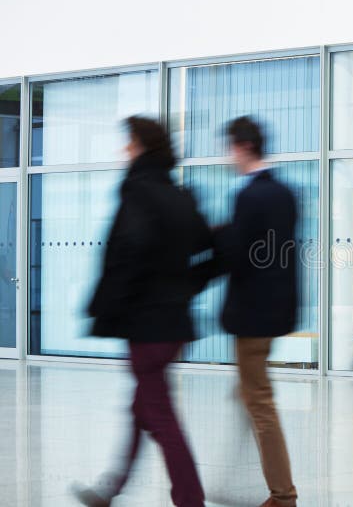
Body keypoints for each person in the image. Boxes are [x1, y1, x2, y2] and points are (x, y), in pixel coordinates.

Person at [73, 116, 212, 507]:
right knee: (140, 410)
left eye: (128, 143)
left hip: (148, 327)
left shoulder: (137, 191)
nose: (123, 151)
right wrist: (186, 287)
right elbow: (209, 246)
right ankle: (111, 489)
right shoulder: (180, 195)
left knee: (163, 421)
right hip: (174, 325)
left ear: (140, 147)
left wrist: (106, 306)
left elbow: (128, 253)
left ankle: (190, 500)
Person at [198, 116, 298, 507]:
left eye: (229, 147)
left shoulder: (249, 196)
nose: (228, 156)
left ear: (241, 147)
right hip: (273, 313)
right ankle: (236, 482)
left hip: (252, 317)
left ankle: (282, 494)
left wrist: (195, 271)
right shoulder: (284, 193)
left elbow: (238, 255)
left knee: (258, 402)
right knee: (246, 394)